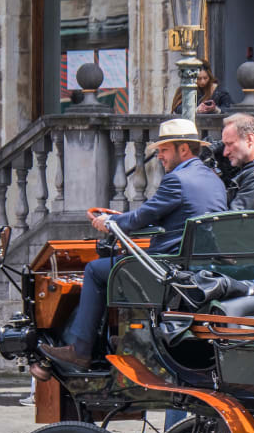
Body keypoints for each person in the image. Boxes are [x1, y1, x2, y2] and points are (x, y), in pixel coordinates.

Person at [40, 118, 228, 371]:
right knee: (115, 266)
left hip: (168, 268)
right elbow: (158, 216)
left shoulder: (177, 180)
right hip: (198, 264)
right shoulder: (213, 179)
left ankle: (81, 350)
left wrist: (108, 223)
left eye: (164, 150)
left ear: (183, 149)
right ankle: (118, 337)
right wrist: (118, 220)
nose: (159, 156)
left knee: (96, 271)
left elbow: (142, 216)